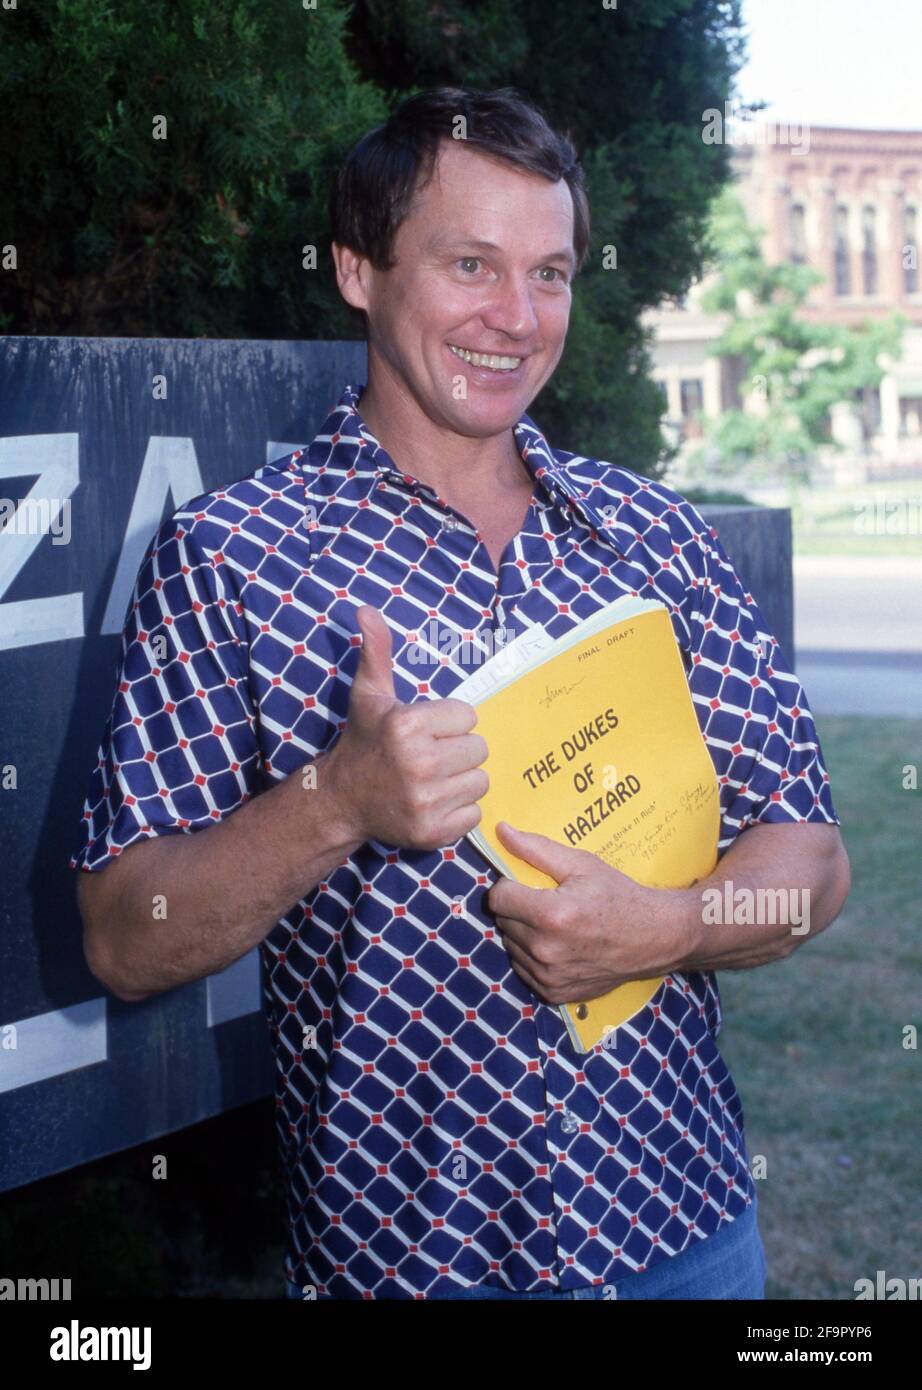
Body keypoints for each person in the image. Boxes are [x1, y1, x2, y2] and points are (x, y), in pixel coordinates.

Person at [70, 86, 850, 1301]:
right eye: (469, 264)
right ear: (356, 270)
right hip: (411, 1269)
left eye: (549, 273)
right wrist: (337, 799)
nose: (516, 317)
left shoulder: (653, 538)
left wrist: (673, 925)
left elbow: (813, 859)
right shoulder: (232, 557)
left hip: (684, 1238)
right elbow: (123, 937)